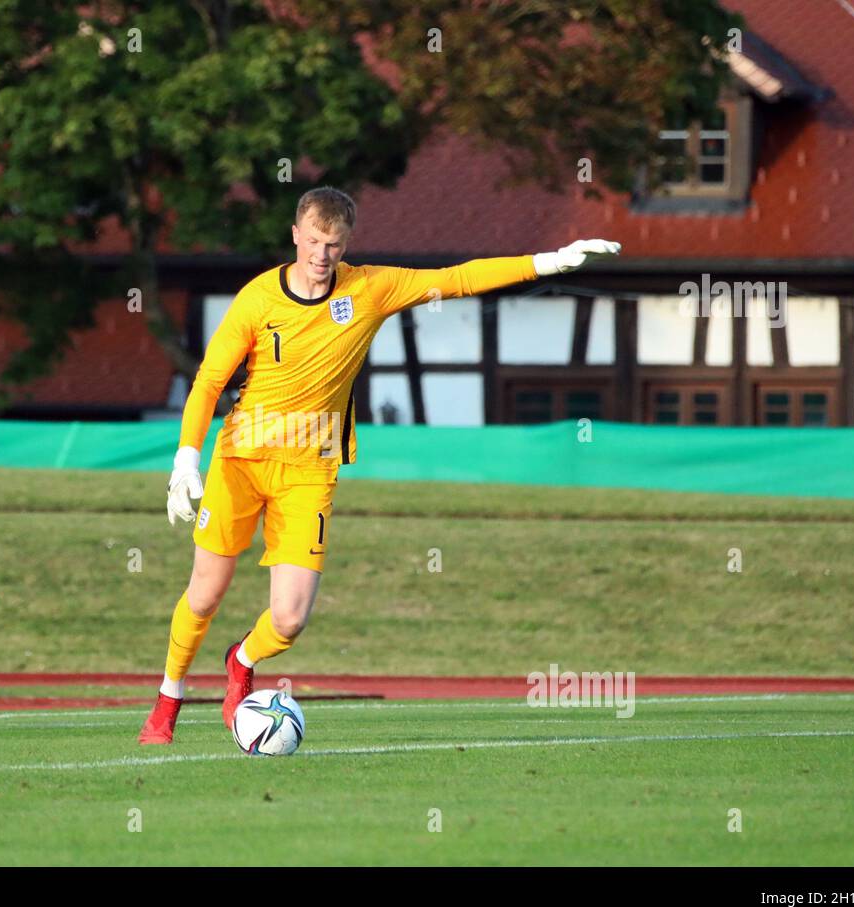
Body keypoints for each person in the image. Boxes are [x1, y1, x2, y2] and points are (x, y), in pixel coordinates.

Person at [138, 185, 620, 744]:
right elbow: (208, 382)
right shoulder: (258, 299)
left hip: (309, 472)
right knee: (204, 594)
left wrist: (548, 261)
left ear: (347, 244)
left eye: (334, 244)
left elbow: (458, 278)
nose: (322, 255)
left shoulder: (370, 288)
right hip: (240, 461)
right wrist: (186, 458)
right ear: (295, 235)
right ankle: (168, 701)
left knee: (289, 621)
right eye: (313, 241)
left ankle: (241, 660)